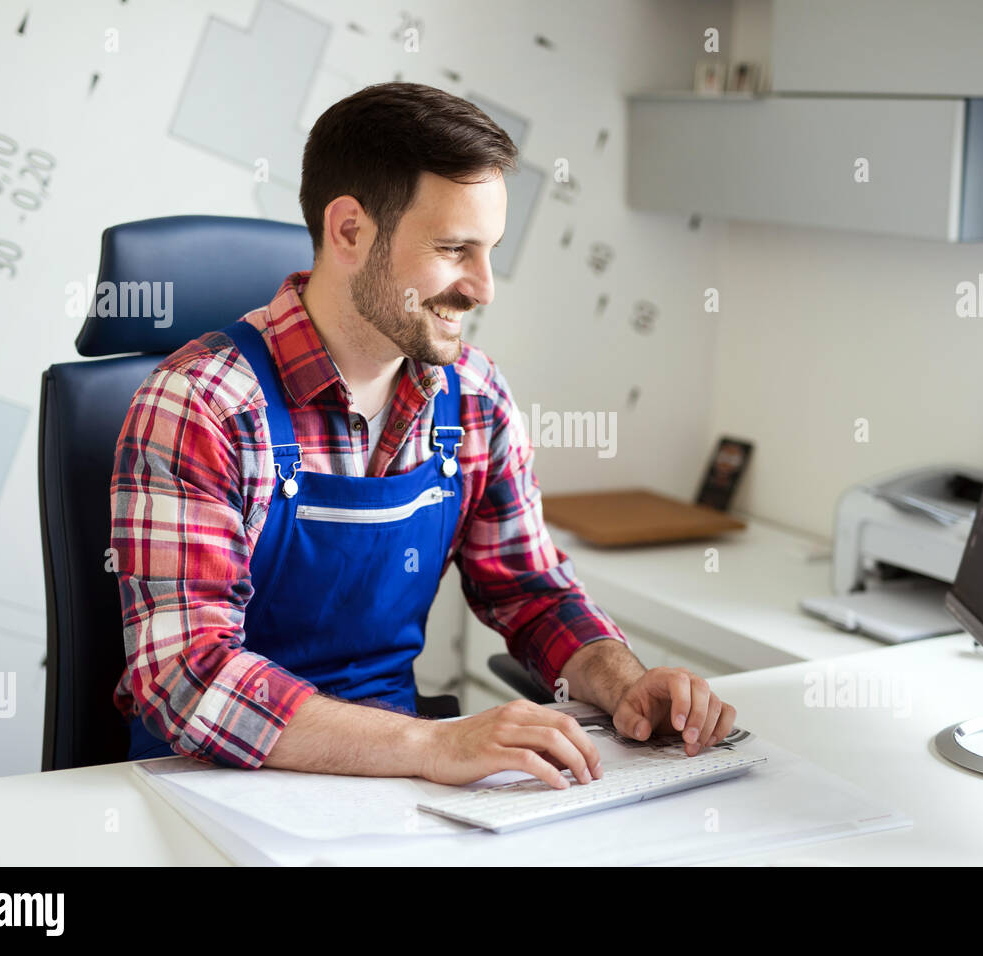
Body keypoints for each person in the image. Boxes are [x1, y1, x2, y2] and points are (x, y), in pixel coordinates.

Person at [111, 82, 736, 790]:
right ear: (350, 231)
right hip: (208, 787)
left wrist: (623, 683)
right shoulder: (201, 406)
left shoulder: (475, 398)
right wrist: (431, 745)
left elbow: (531, 591)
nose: (483, 287)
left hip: (395, 784)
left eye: (489, 251)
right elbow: (187, 678)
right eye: (453, 249)